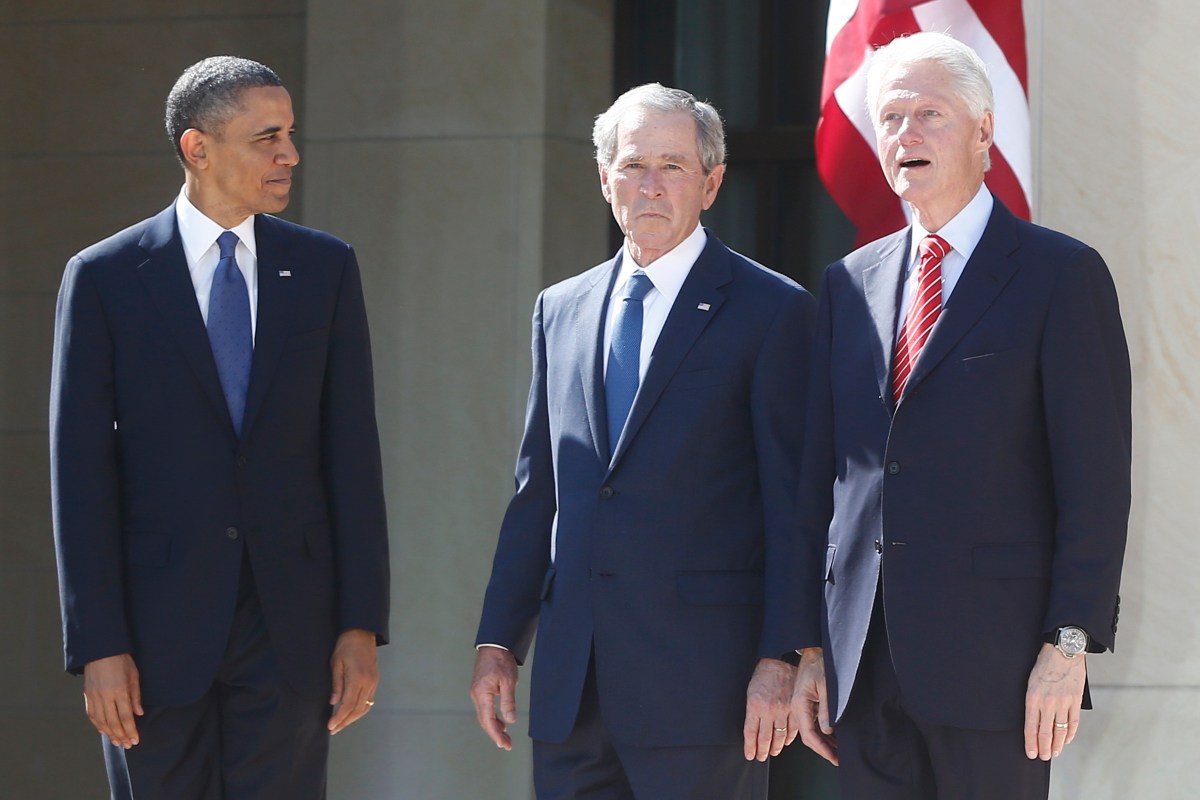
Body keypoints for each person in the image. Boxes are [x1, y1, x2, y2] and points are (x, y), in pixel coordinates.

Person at [791, 32, 1132, 799]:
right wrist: (808, 645)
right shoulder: (847, 283)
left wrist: (1068, 643)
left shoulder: (1061, 275)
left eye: (929, 114)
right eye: (890, 117)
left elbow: (1096, 483)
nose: (904, 134)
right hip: (863, 666)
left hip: (998, 670)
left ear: (984, 131)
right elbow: (822, 481)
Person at [49, 56, 390, 799]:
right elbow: (79, 475)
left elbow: (352, 456)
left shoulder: (325, 268)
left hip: (291, 630)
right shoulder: (105, 277)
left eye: (290, 134)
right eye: (268, 137)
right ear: (197, 148)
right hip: (152, 641)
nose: (290, 154)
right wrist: (99, 645)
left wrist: (360, 625)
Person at [468, 83, 817, 799]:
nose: (650, 185)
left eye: (673, 166)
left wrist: (782, 655)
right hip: (573, 689)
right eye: (632, 165)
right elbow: (538, 493)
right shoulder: (560, 309)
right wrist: (499, 639)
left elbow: (795, 505)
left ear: (711, 184)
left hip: (706, 689)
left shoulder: (773, 311)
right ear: (605, 179)